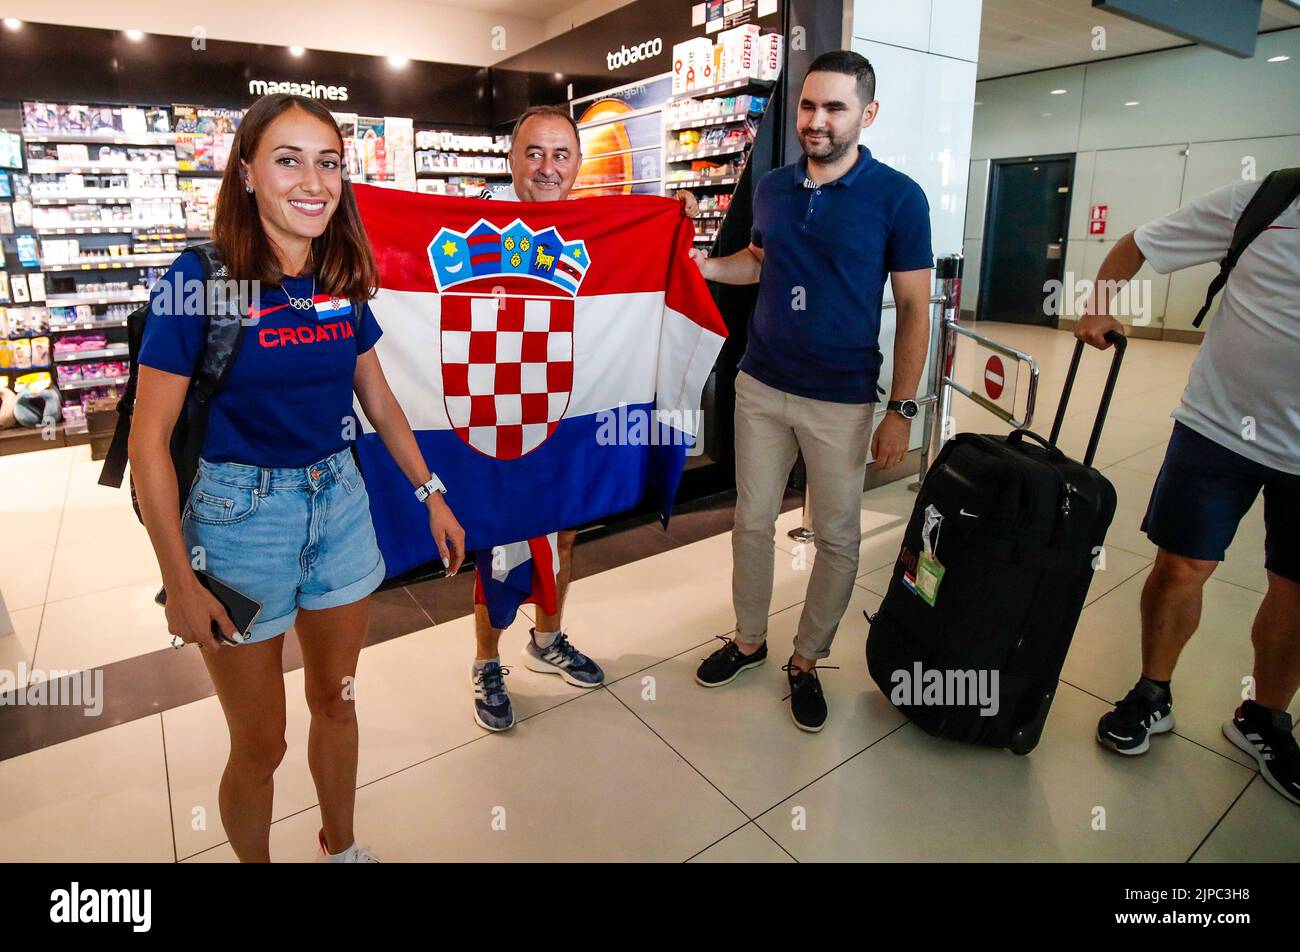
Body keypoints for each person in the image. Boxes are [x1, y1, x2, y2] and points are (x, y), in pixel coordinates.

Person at [129, 94, 466, 862]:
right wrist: (179, 582)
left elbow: (378, 400)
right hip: (237, 521)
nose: (314, 180)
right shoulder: (197, 279)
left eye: (329, 162)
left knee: (337, 703)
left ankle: (340, 847)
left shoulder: (338, 273)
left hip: (341, 508)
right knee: (263, 744)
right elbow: (151, 442)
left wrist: (430, 493)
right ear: (246, 172)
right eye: (289, 159)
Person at [690, 51, 934, 732]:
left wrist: (902, 411)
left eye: (834, 108)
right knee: (751, 520)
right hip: (761, 385)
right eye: (807, 106)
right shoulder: (771, 188)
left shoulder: (898, 197)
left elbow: (915, 309)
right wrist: (703, 266)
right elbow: (762, 263)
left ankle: (806, 659)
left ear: (867, 113)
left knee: (836, 537)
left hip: (843, 400)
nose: (816, 121)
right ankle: (748, 640)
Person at [1081, 175, 1300, 807]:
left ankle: (1264, 716)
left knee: (1296, 587)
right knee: (1181, 566)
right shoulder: (1268, 200)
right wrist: (1097, 304)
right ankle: (1154, 691)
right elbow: (1138, 242)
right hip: (1218, 427)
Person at [469, 105, 605, 733]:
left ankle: (547, 639)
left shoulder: (598, 228)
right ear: (512, 159)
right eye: (533, 153)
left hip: (569, 413)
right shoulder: (477, 226)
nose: (547, 168)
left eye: (561, 155)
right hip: (497, 414)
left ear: (578, 163)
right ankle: (486, 660)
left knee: (567, 534)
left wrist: (675, 218)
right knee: (498, 540)